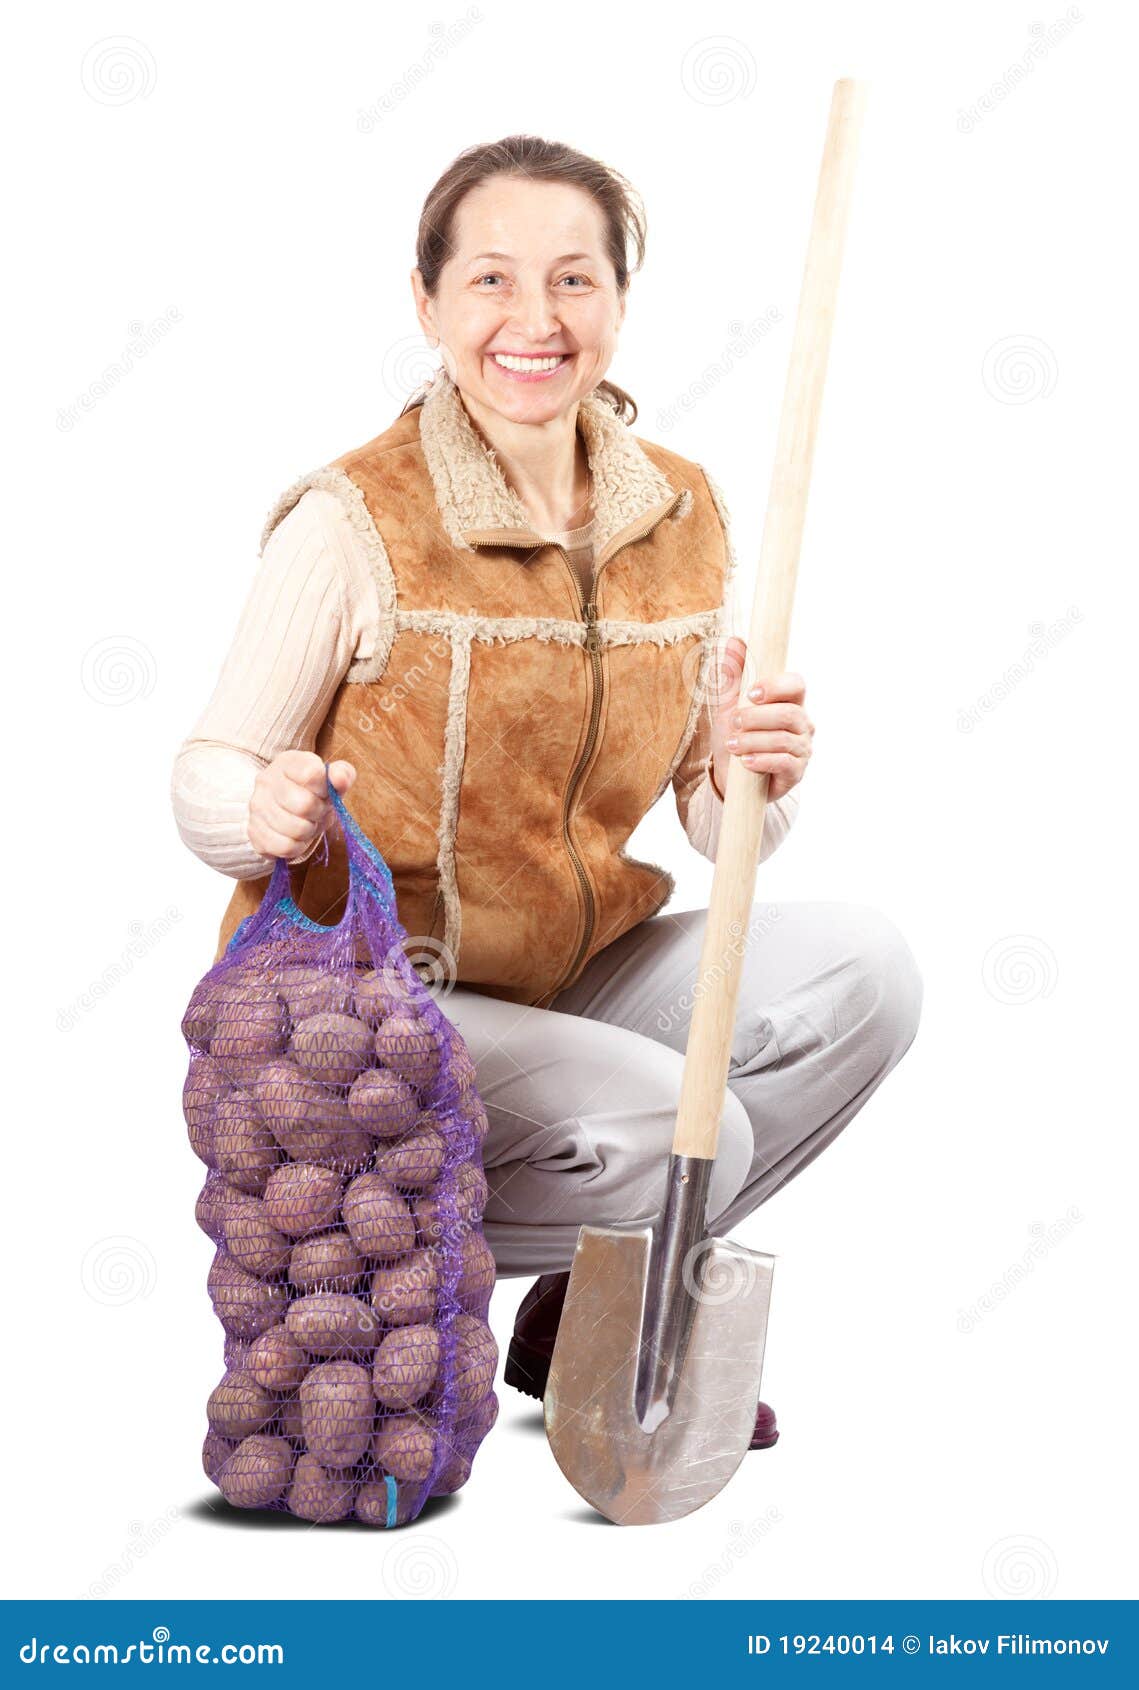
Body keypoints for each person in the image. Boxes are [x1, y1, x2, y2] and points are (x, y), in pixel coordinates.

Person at [171, 134, 923, 1452]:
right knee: (690, 1131)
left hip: (575, 972)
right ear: (428, 303)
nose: (536, 321)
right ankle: (383, 1277)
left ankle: (587, 1309)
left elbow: (710, 814)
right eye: (492, 282)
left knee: (867, 975)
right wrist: (266, 809)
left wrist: (752, 767)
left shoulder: (682, 515)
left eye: (575, 282)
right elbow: (204, 772)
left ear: (620, 306)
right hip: (373, 1015)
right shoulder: (353, 523)